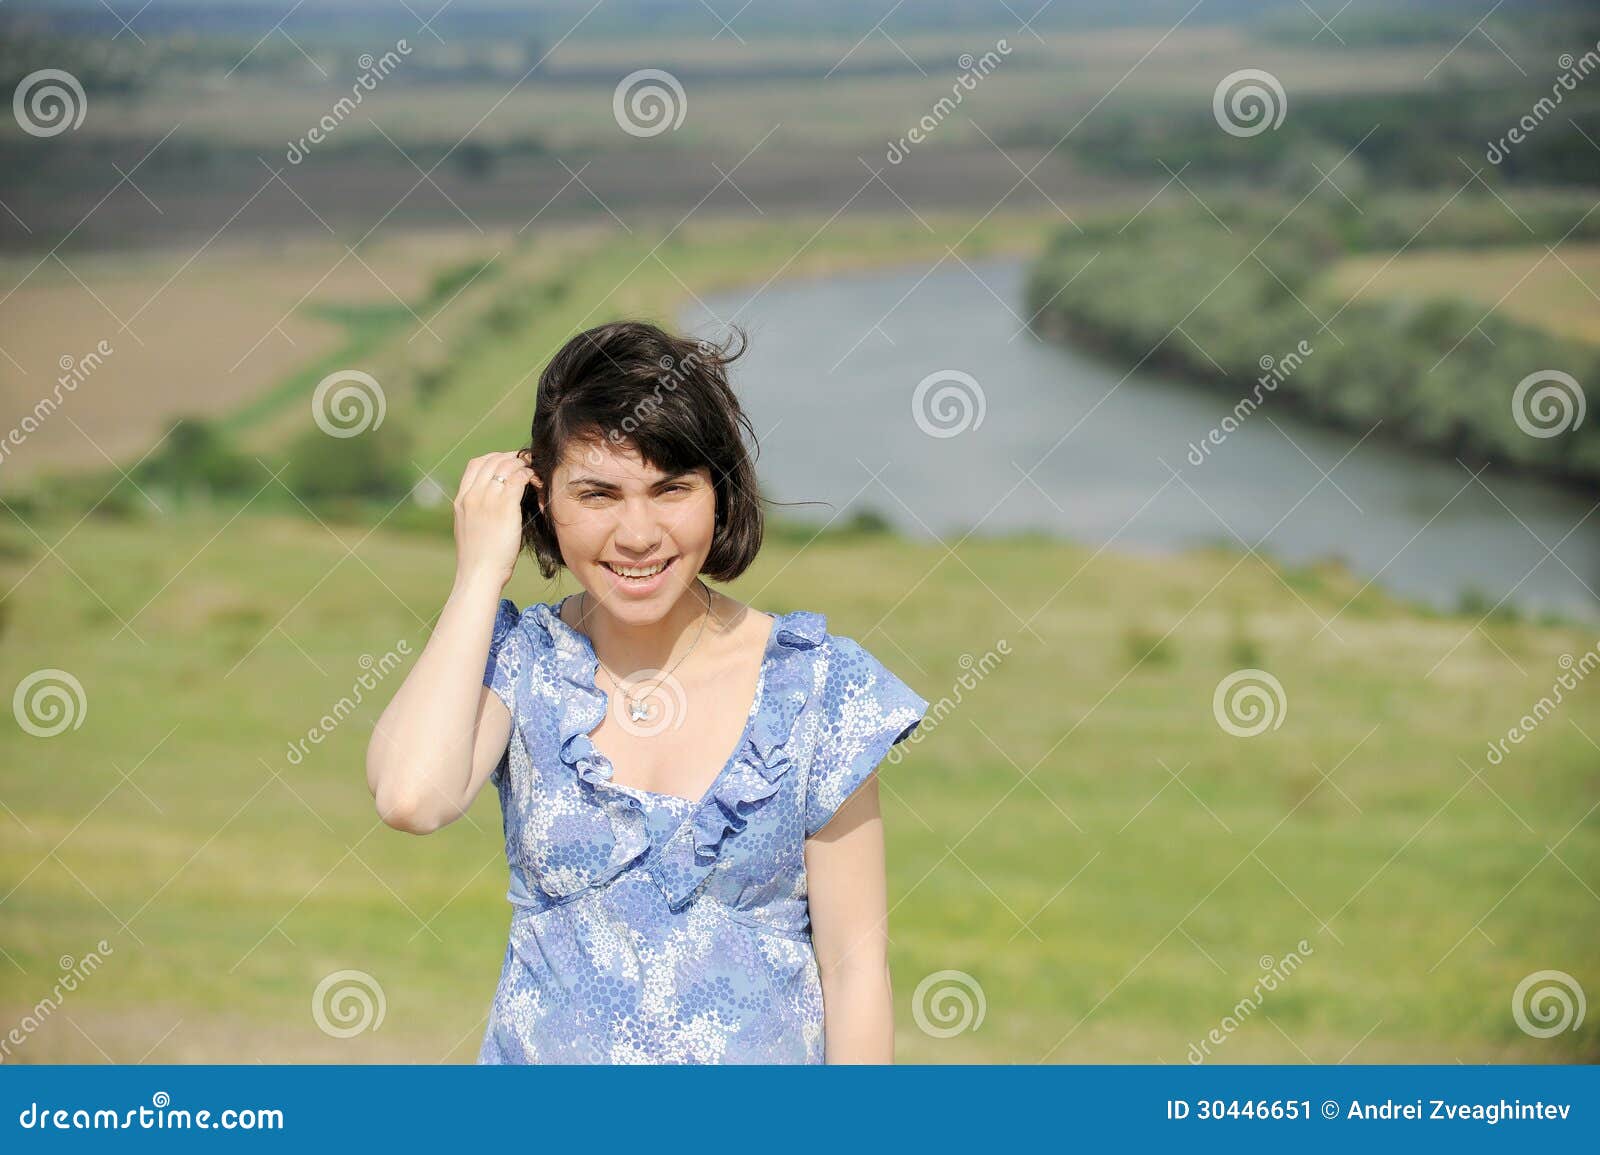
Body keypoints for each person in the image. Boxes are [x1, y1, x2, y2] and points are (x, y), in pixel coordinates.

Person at [366, 319, 928, 1063]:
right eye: (598, 493)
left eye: (671, 489)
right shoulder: (520, 660)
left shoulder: (817, 684)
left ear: (719, 495)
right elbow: (411, 797)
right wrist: (477, 574)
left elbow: (855, 972)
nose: (638, 533)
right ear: (543, 501)